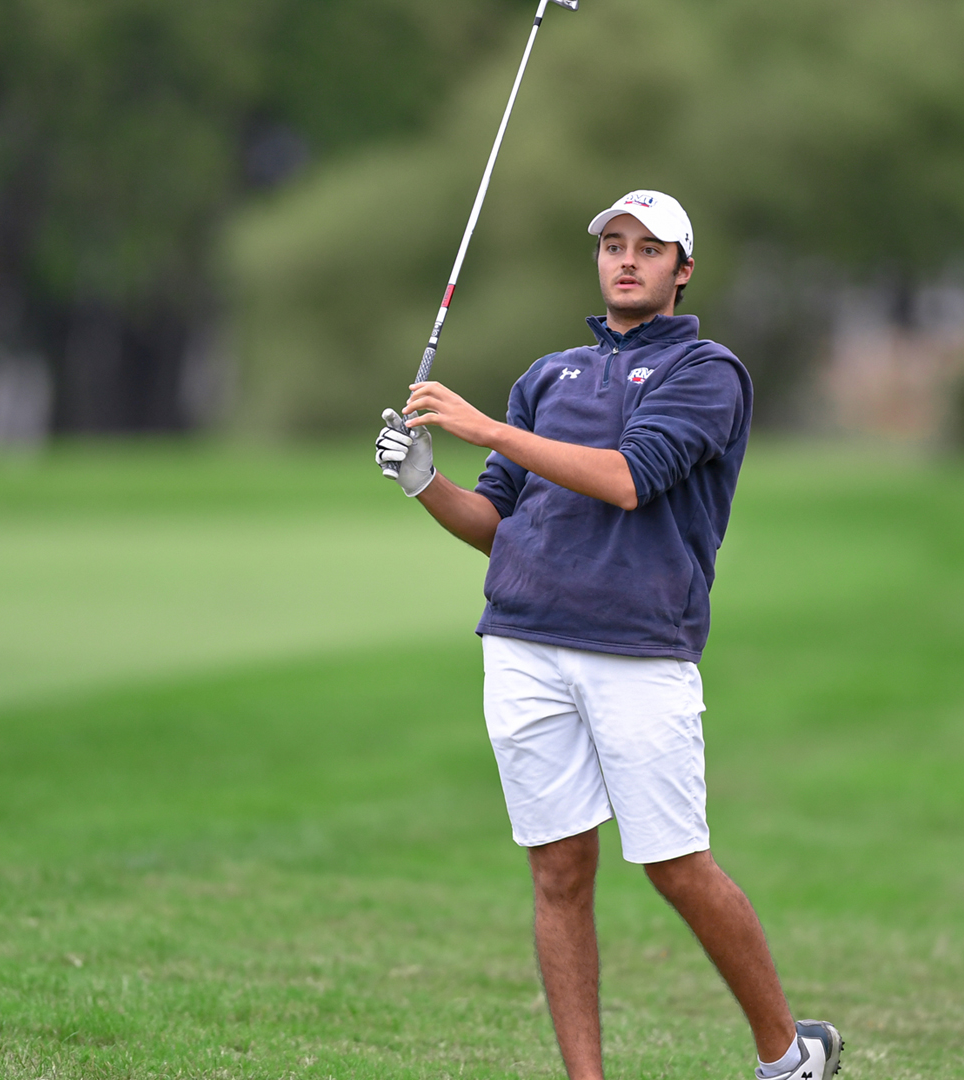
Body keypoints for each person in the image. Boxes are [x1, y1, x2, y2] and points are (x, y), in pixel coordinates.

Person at [373, 190, 841, 1080]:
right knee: (558, 870)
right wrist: (427, 481)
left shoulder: (709, 372)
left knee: (675, 864)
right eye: (614, 246)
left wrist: (482, 425)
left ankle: (788, 1054)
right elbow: (494, 521)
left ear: (682, 269)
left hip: (638, 646)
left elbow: (630, 479)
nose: (627, 260)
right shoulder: (548, 377)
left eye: (649, 248)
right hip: (521, 639)